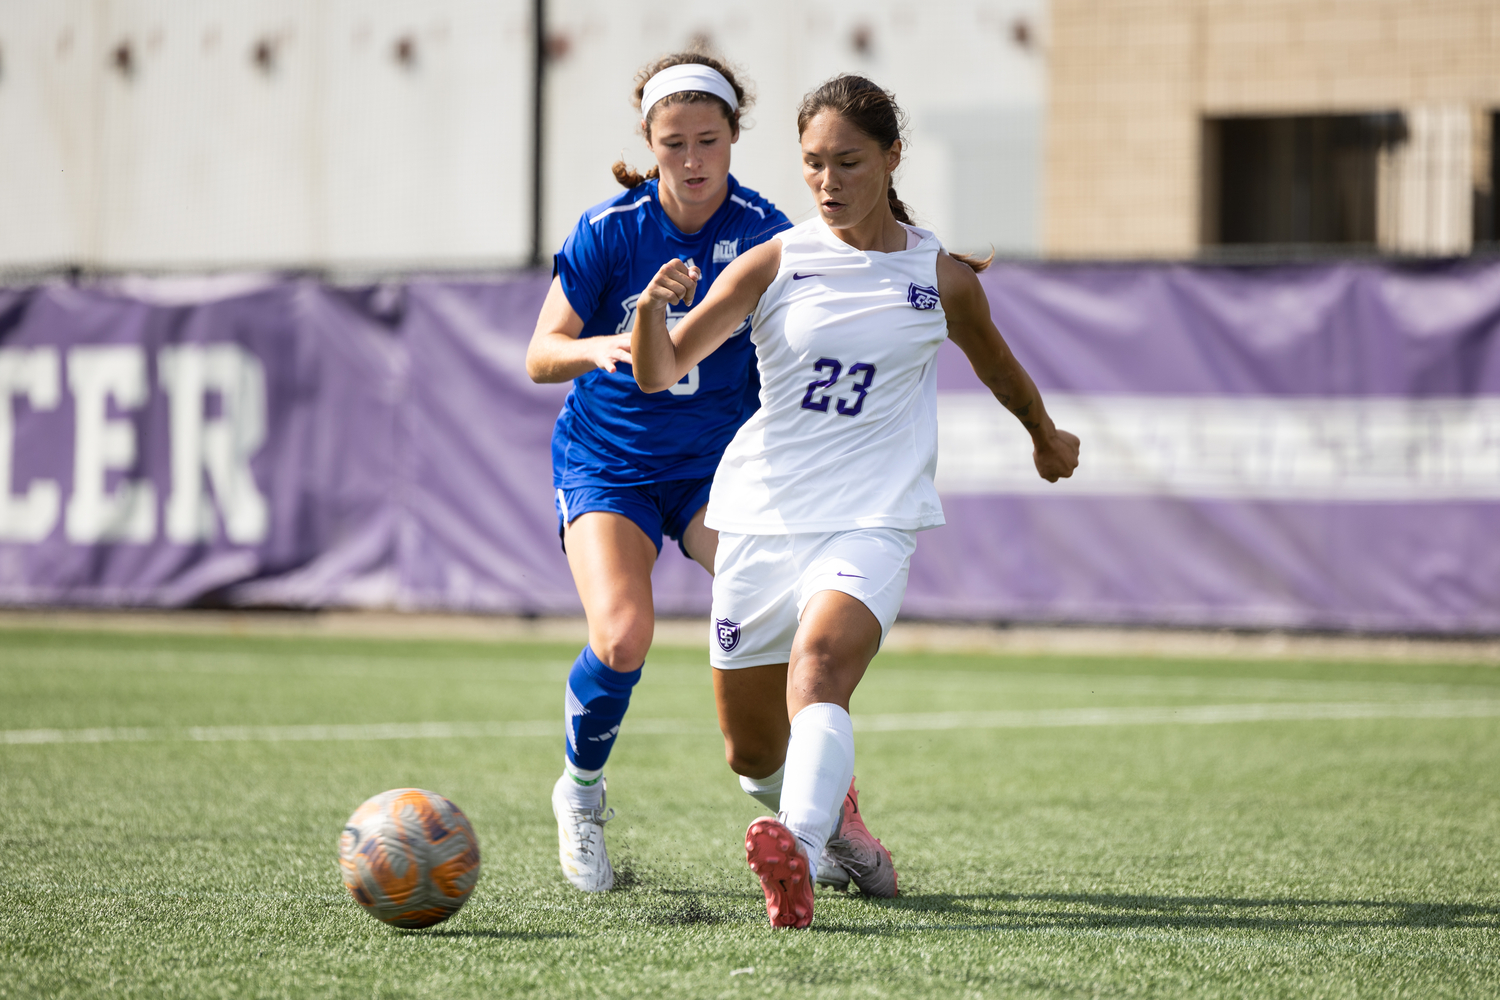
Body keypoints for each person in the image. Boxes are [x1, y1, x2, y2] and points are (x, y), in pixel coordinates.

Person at [630, 74, 1081, 928]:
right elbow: (659, 371)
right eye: (811, 165)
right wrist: (651, 310)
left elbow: (995, 364)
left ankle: (794, 853)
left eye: (847, 161)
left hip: (873, 517)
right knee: (751, 749)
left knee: (821, 673)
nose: (828, 182)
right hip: (762, 515)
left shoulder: (939, 278)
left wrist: (1044, 434)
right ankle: (837, 822)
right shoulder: (776, 260)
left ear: (892, 158)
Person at [525, 53, 792, 893]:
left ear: (734, 136)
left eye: (707, 139)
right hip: (611, 463)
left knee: (788, 606)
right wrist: (593, 346)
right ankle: (581, 794)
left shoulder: (766, 229)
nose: (691, 158)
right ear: (648, 141)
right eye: (672, 142)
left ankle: (809, 803)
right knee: (622, 636)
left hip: (717, 466)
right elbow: (539, 355)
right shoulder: (610, 230)